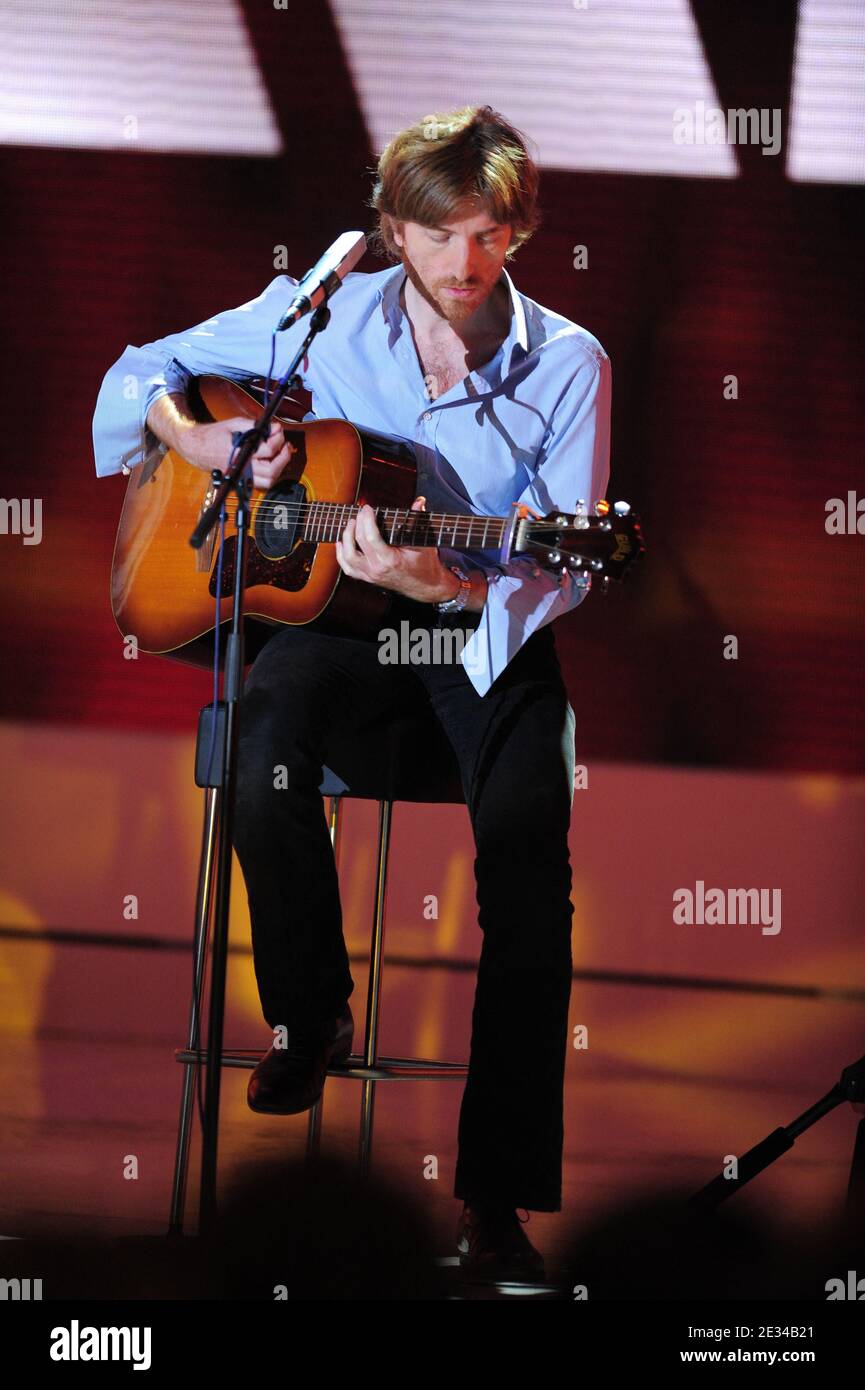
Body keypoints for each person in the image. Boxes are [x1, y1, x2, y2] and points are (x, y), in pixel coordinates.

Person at [92, 104, 611, 1282]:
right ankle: (312, 1010)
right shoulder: (320, 314)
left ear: (518, 232)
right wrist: (212, 445)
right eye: (438, 238)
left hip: (482, 634)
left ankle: (495, 1200)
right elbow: (143, 375)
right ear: (391, 229)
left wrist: (447, 574)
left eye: (487, 236)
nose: (464, 265)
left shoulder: (571, 364)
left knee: (530, 859)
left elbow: (555, 569)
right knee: (261, 738)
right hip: (340, 626)